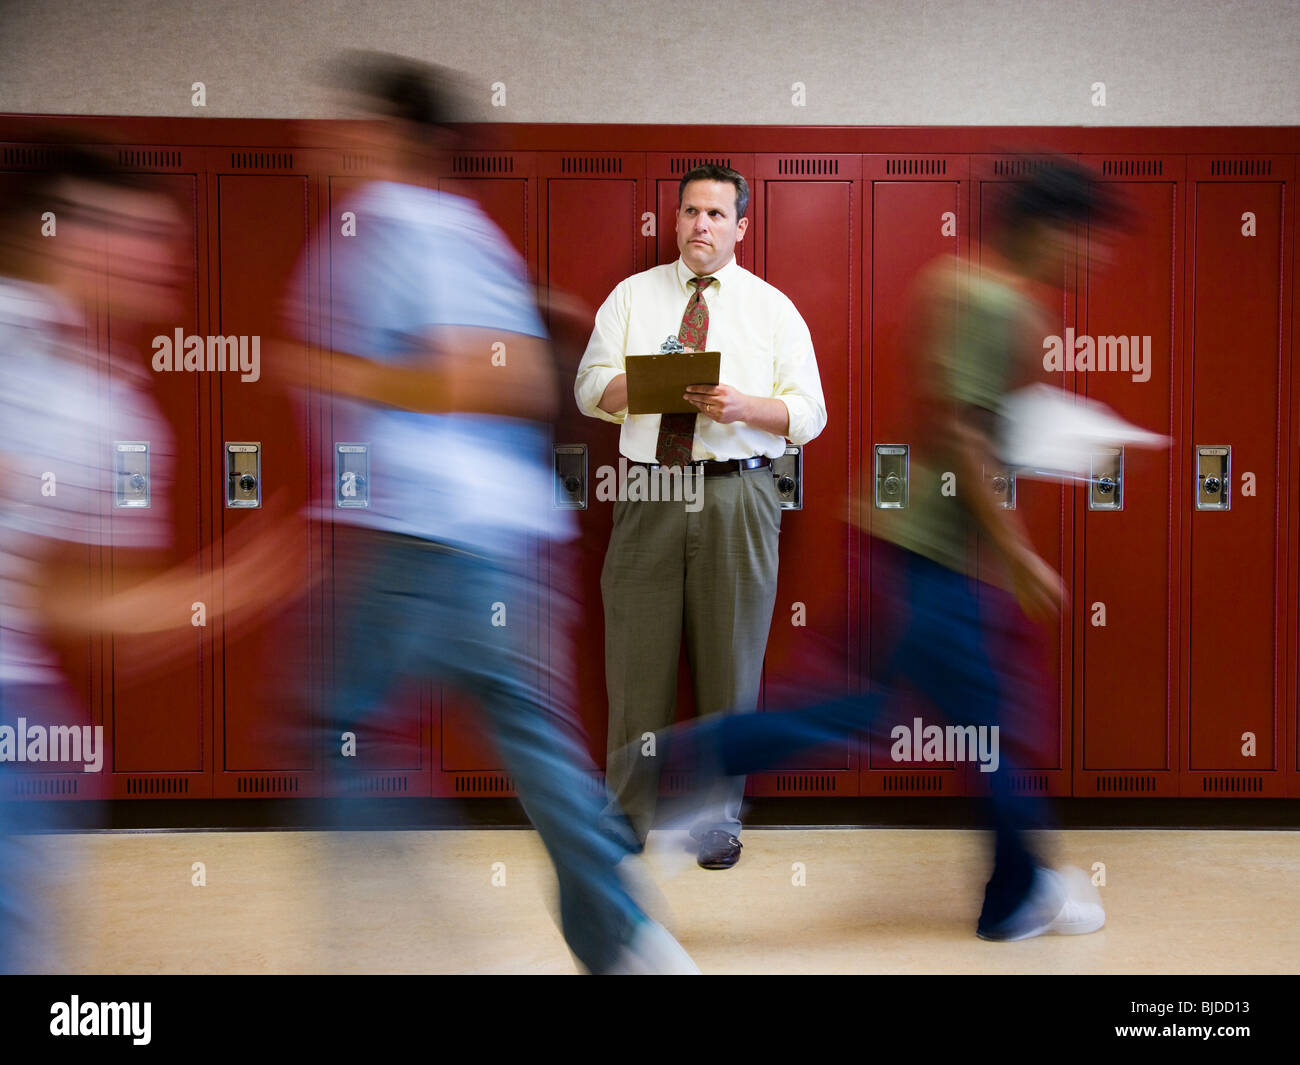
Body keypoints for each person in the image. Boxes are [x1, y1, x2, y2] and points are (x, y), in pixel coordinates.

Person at [289, 51, 696, 974]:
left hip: (421, 531)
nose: (324, 133)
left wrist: (332, 370)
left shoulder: (387, 221)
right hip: (501, 533)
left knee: (332, 726)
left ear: (390, 133)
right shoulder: (463, 226)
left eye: (346, 118)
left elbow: (486, 371)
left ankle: (398, 941)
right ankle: (630, 941)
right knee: (530, 735)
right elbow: (530, 344)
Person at [641, 159, 1121, 940]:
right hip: (934, 556)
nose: (1092, 255)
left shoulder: (964, 286)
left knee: (867, 706)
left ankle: (703, 755)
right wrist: (1020, 552)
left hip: (902, 544)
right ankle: (1018, 896)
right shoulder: (993, 302)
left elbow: (971, 422)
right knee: (995, 728)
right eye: (1085, 236)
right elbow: (959, 432)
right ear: (1046, 229)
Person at [0, 146, 298, 971]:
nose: (162, 257)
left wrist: (245, 579)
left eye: (164, 237)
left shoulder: (107, 405)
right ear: (51, 233)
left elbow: (71, 604)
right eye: (130, 233)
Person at [575, 165, 827, 869]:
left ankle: (718, 821)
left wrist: (746, 407)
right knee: (635, 665)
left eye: (716, 214)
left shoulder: (773, 309)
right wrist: (649, 385)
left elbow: (809, 414)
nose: (701, 226)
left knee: (730, 664)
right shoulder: (631, 298)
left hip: (737, 493)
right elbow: (591, 389)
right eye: (690, 212)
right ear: (675, 220)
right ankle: (625, 814)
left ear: (741, 227)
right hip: (651, 489)